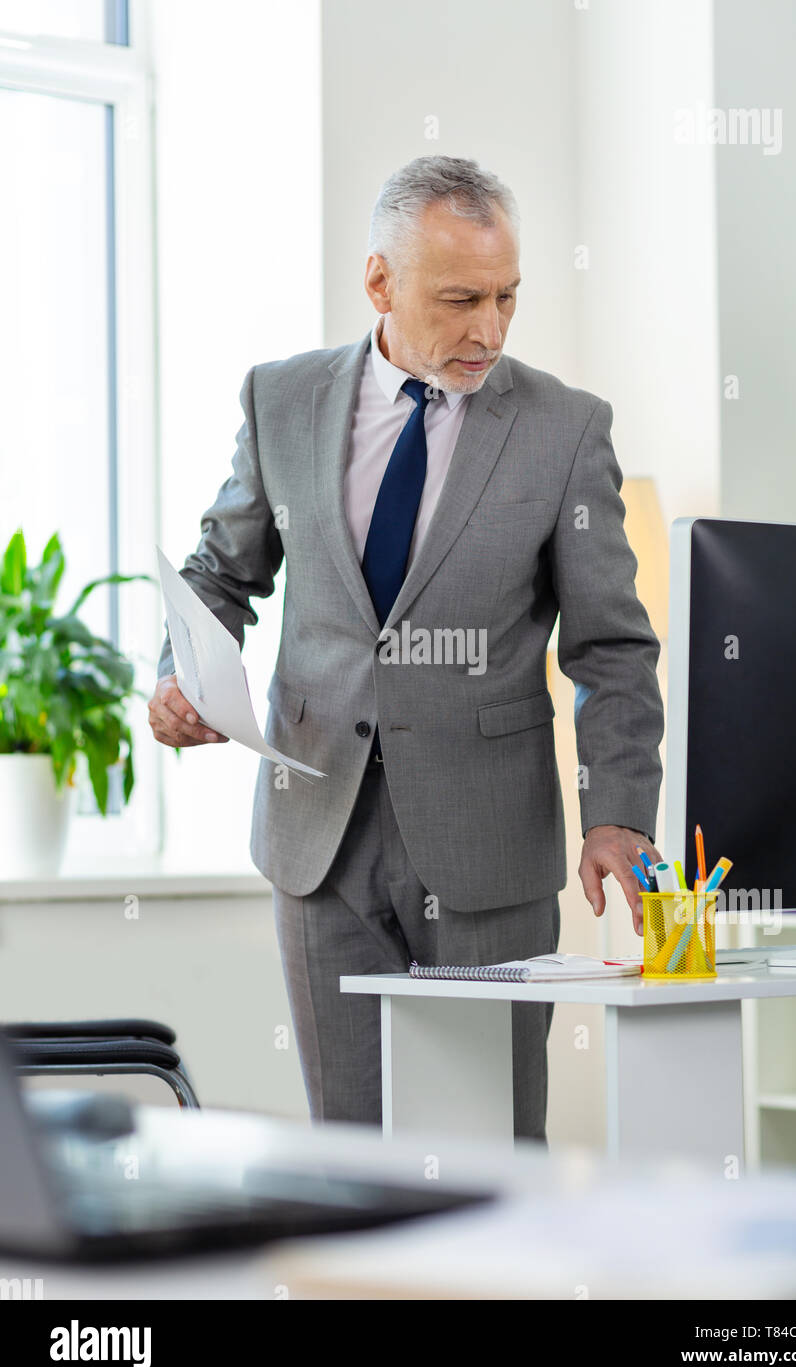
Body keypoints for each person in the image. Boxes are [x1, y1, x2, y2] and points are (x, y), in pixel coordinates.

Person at [148, 155, 664, 1141]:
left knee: (489, 1156)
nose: (489, 330)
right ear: (380, 283)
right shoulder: (281, 401)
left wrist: (618, 816)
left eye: (507, 297)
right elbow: (220, 573)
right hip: (319, 839)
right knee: (348, 1158)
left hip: (487, 850)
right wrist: (179, 675)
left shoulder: (562, 430)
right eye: (460, 298)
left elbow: (610, 647)